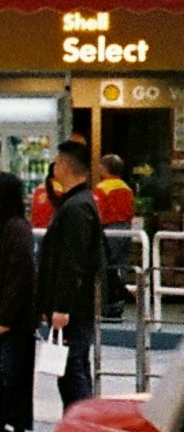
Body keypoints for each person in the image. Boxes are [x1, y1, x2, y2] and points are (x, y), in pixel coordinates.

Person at [35, 142, 106, 414]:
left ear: (63, 165)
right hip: (76, 303)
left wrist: (62, 305)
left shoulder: (77, 207)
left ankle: (81, 426)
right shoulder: (77, 201)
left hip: (74, 306)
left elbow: (72, 261)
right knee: (74, 365)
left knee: (72, 367)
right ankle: (80, 423)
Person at [0, 175, 37, 432]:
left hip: (13, 319)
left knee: (8, 374)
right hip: (9, 315)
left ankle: (11, 421)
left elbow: (19, 275)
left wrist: (5, 318)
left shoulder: (16, 229)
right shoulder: (8, 227)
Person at [95, 152, 136, 318]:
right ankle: (119, 303)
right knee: (121, 266)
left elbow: (98, 212)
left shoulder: (101, 188)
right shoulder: (126, 188)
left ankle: (109, 303)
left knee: (107, 268)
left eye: (100, 165)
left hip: (109, 230)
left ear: (105, 169)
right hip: (125, 229)